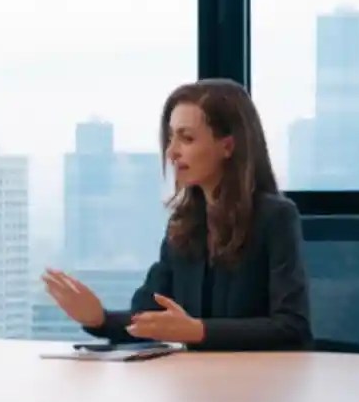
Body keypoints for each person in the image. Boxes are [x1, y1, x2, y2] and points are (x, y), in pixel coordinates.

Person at [42, 78, 312, 351]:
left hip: (260, 384)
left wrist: (197, 330)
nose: (172, 152)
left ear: (228, 146)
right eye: (170, 138)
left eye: (187, 138)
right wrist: (99, 319)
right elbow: (147, 319)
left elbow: (291, 328)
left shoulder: (275, 217)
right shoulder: (184, 225)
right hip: (194, 384)